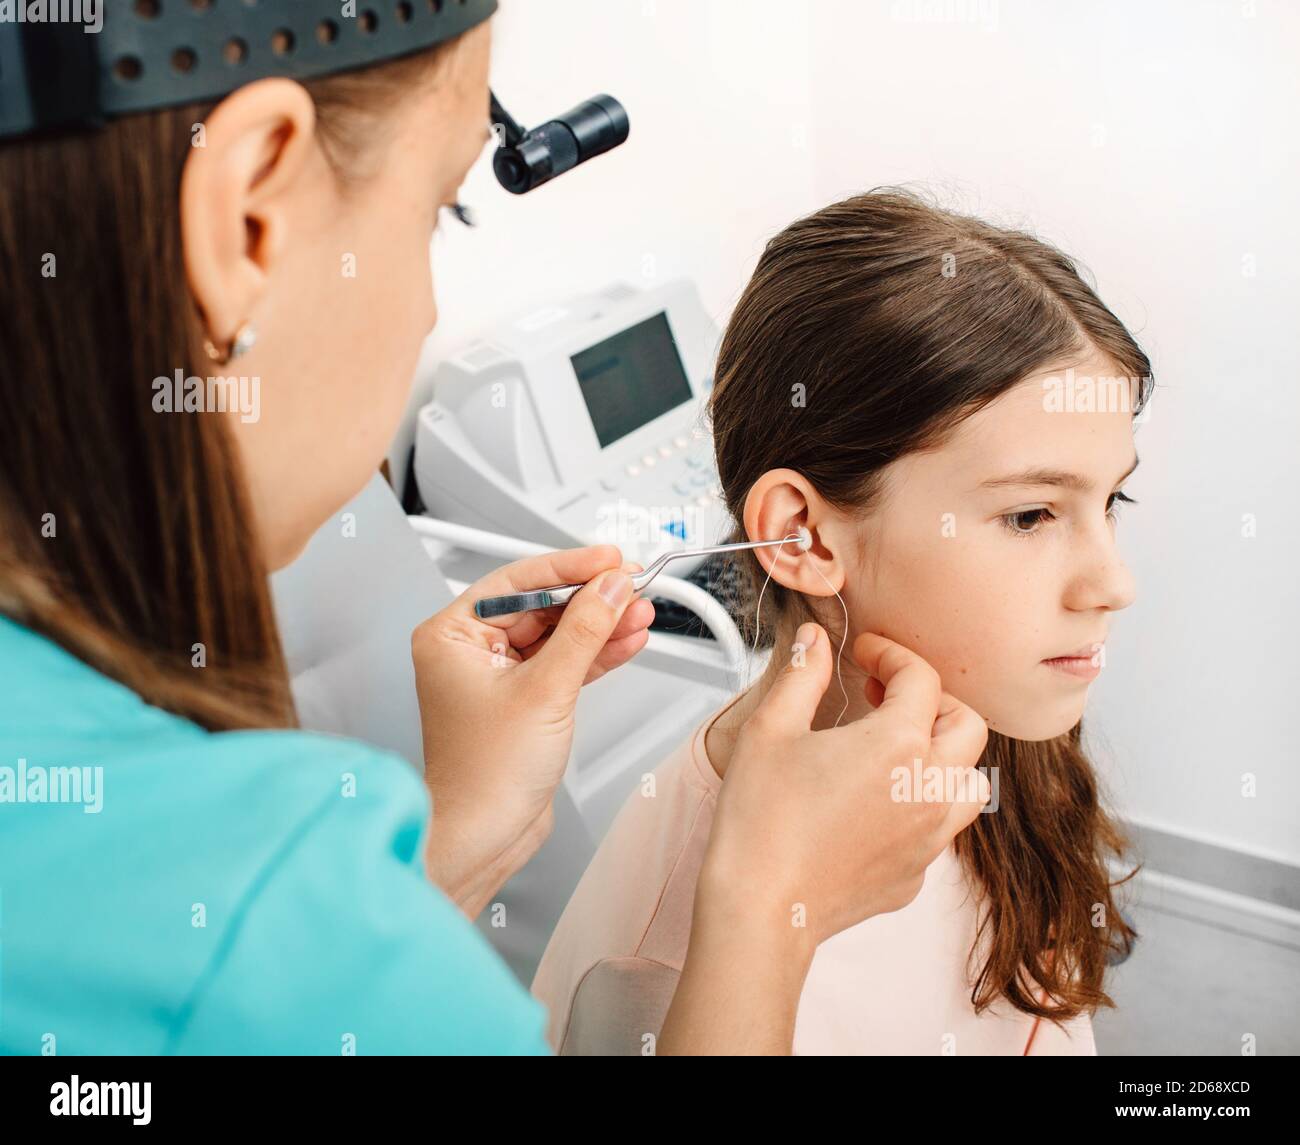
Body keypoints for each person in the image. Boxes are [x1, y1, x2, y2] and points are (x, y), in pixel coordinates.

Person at [0, 15, 988, 1054]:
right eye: (445, 208)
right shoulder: (244, 911)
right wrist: (767, 910)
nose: (428, 310)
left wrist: (460, 831)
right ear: (249, 214)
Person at [533, 189, 1145, 1055]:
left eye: (1112, 498)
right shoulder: (660, 981)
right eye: (1030, 516)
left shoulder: (990, 731)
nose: (1114, 582)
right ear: (804, 536)